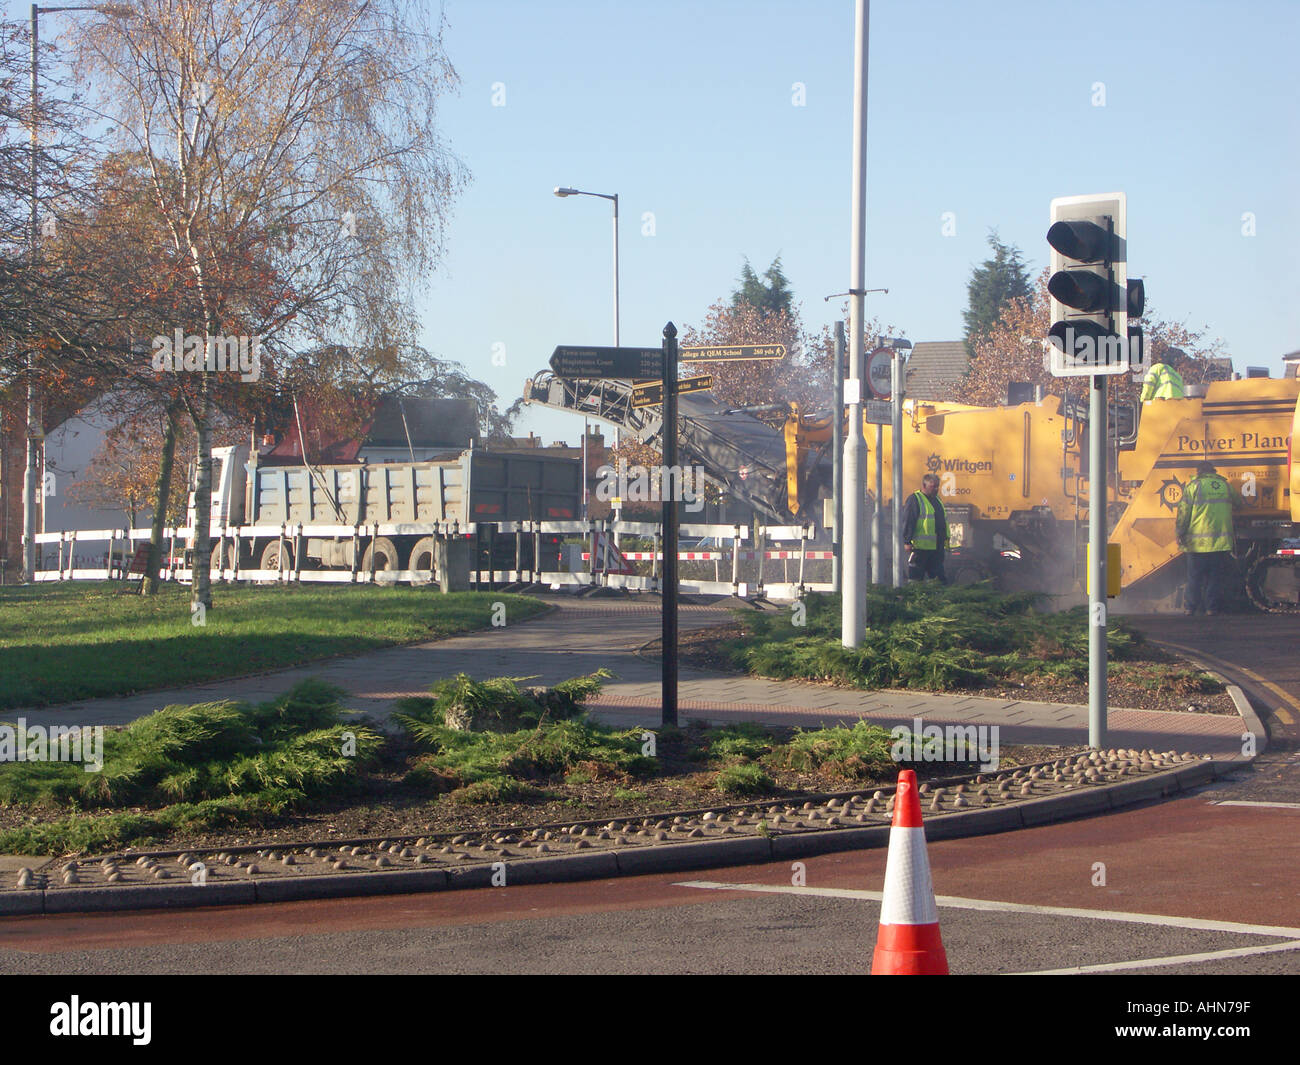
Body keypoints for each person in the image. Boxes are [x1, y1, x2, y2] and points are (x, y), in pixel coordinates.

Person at [1176, 460, 1235, 615]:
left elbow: (1183, 512)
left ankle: (1190, 608)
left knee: (1194, 578)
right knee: (1215, 578)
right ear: (1213, 471)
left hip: (1197, 544)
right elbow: (1238, 503)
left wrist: (1180, 532)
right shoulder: (1225, 485)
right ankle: (1211, 608)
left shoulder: (1193, 486)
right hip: (1219, 543)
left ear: (1198, 472)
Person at [902, 473, 948, 582]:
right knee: (916, 578)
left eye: (937, 486)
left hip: (936, 548)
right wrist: (907, 541)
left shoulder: (937, 500)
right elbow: (909, 520)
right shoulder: (915, 499)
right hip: (920, 549)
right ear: (924, 486)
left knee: (939, 580)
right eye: (933, 486)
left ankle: (935, 597)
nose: (936, 489)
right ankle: (914, 597)